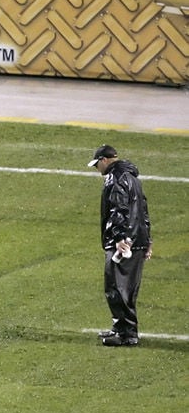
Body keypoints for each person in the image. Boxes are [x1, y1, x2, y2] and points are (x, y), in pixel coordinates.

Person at [88, 144, 152, 347]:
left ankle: (126, 334)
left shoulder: (115, 178)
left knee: (117, 288)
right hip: (136, 240)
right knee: (125, 289)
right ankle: (121, 328)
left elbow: (118, 209)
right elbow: (143, 210)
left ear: (104, 160)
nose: (97, 169)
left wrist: (119, 237)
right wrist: (147, 240)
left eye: (97, 164)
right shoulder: (132, 178)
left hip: (124, 243)